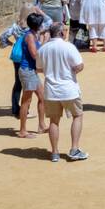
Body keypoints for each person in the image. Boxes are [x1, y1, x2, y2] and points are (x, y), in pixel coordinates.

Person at [37, 22, 88, 162]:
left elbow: (39, 68)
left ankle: (54, 153)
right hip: (68, 90)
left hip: (51, 90)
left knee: (54, 121)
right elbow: (79, 66)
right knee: (77, 115)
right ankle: (74, 148)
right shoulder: (68, 47)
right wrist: (71, 71)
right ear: (61, 33)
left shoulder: (43, 49)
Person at [14, 13, 48, 138]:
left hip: (30, 71)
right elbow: (35, 55)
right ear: (37, 25)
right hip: (27, 71)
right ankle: (22, 131)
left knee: (42, 97)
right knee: (26, 101)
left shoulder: (32, 34)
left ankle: (41, 126)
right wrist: (44, 44)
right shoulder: (30, 37)